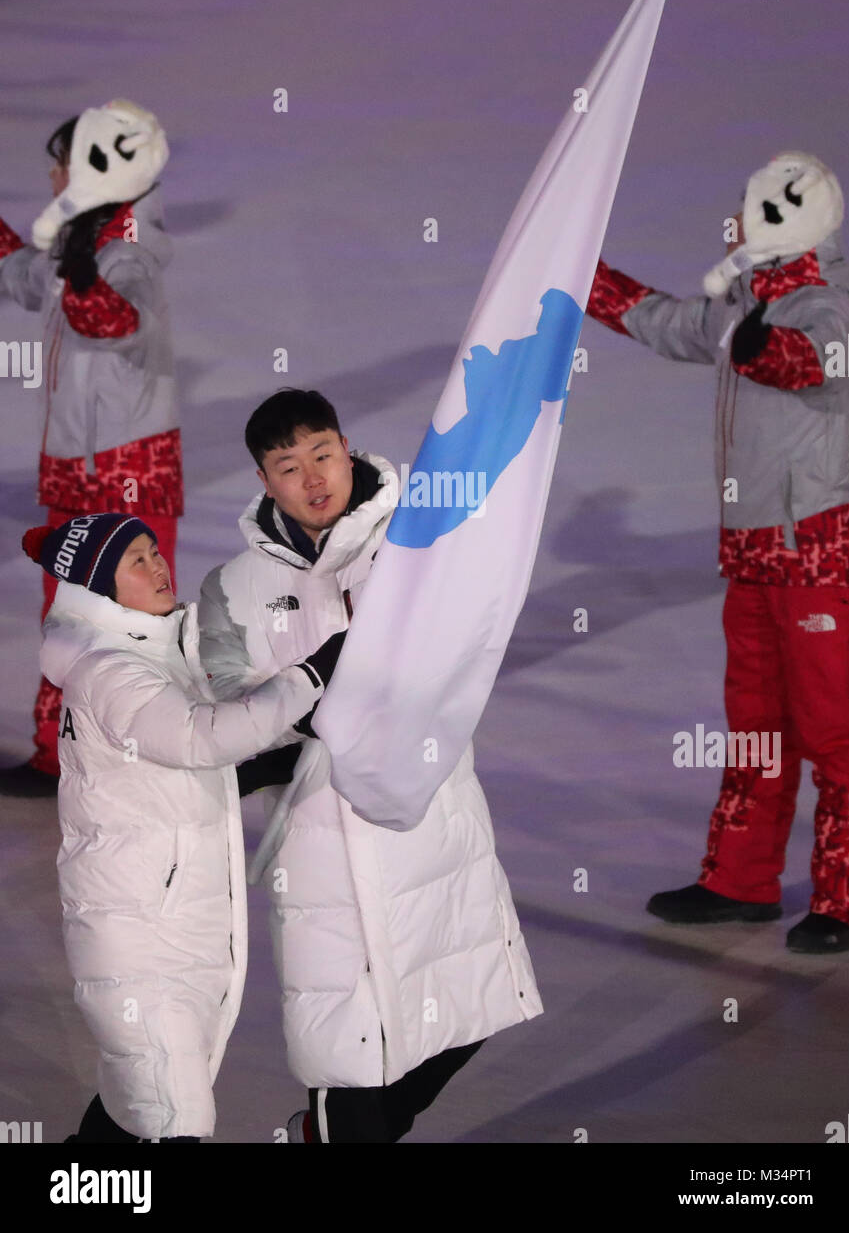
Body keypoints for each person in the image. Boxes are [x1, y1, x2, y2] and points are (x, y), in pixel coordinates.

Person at [198, 387, 542, 1143]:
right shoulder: (230, 589)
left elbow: (464, 655)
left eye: (322, 454)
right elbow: (229, 716)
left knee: (466, 1011)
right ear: (264, 481)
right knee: (347, 1060)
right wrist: (306, 722)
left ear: (346, 446)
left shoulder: (420, 546)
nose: (313, 478)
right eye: (288, 467)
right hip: (318, 857)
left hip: (425, 829)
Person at [585, 150, 849, 953]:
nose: (735, 221)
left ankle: (848, 896)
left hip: (817, 551)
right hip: (753, 556)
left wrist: (758, 352)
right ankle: (739, 882)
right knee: (755, 727)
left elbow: (820, 367)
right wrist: (584, 278)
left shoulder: (828, 306)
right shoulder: (750, 299)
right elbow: (671, 323)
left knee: (836, 731)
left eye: (749, 209)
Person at [22, 511, 344, 1142]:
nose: (158, 564)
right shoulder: (112, 673)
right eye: (135, 562)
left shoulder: (148, 656)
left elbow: (189, 754)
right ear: (100, 590)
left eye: (153, 550)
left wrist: (288, 728)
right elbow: (200, 738)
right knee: (175, 1120)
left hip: (168, 927)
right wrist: (308, 679)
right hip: (140, 941)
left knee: (137, 1109)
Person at [0, 100, 182, 795]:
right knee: (69, 615)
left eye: (61, 161)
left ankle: (147, 754)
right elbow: (22, 277)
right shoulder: (79, 238)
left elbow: (112, 319)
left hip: (129, 465)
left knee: (134, 616)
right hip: (77, 467)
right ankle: (60, 755)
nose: (51, 174)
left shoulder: (132, 243)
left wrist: (75, 263)